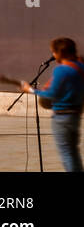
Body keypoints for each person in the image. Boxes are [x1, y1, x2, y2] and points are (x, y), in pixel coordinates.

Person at [21, 36, 84, 172]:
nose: (53, 55)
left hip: (62, 117)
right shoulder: (80, 66)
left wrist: (30, 90)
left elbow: (51, 94)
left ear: (61, 52)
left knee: (67, 155)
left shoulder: (61, 70)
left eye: (54, 52)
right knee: (73, 154)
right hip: (75, 115)